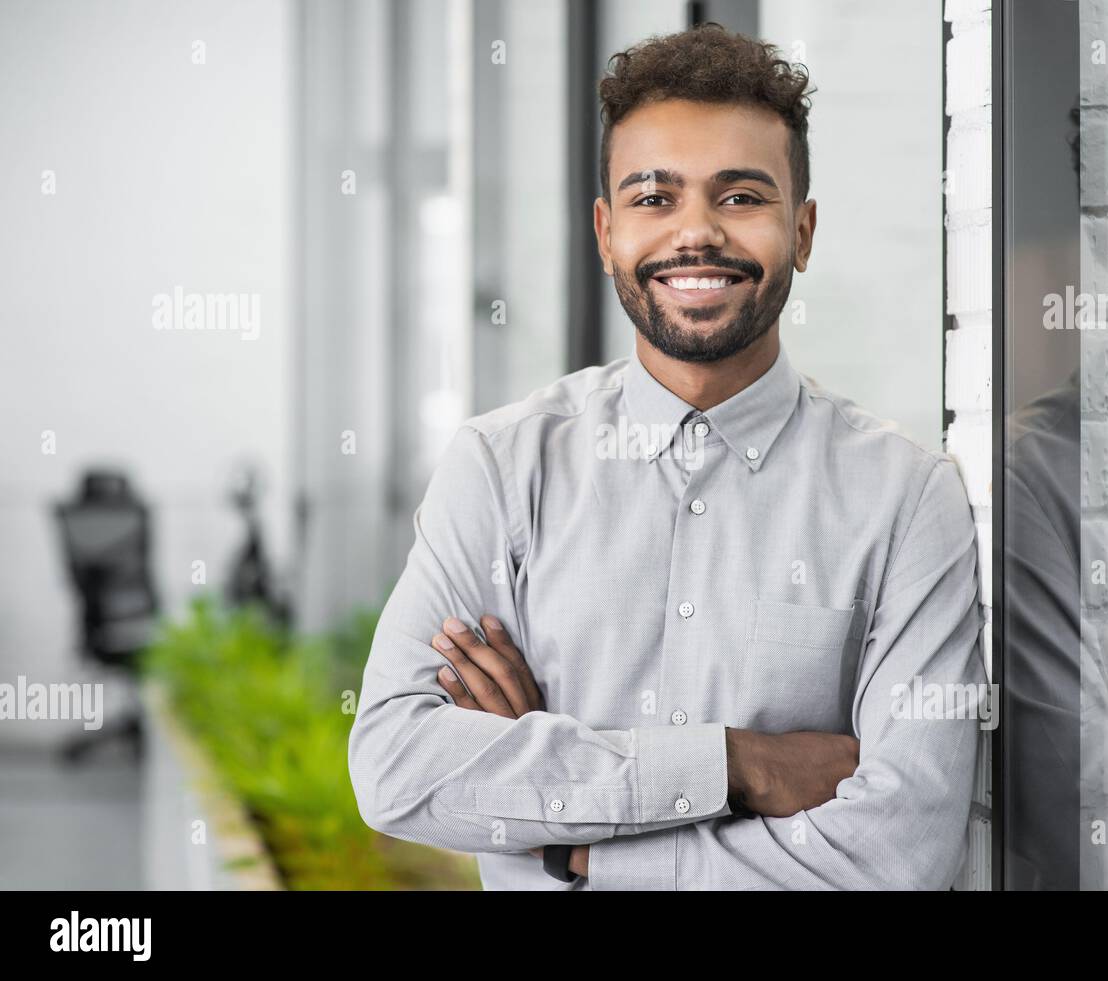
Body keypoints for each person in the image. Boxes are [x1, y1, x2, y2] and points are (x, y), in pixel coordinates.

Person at [347, 22, 985, 890]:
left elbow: (901, 853)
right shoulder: (501, 468)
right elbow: (395, 764)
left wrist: (569, 833)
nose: (697, 234)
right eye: (655, 199)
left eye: (740, 197)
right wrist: (736, 763)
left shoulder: (908, 498)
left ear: (801, 231)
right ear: (607, 232)